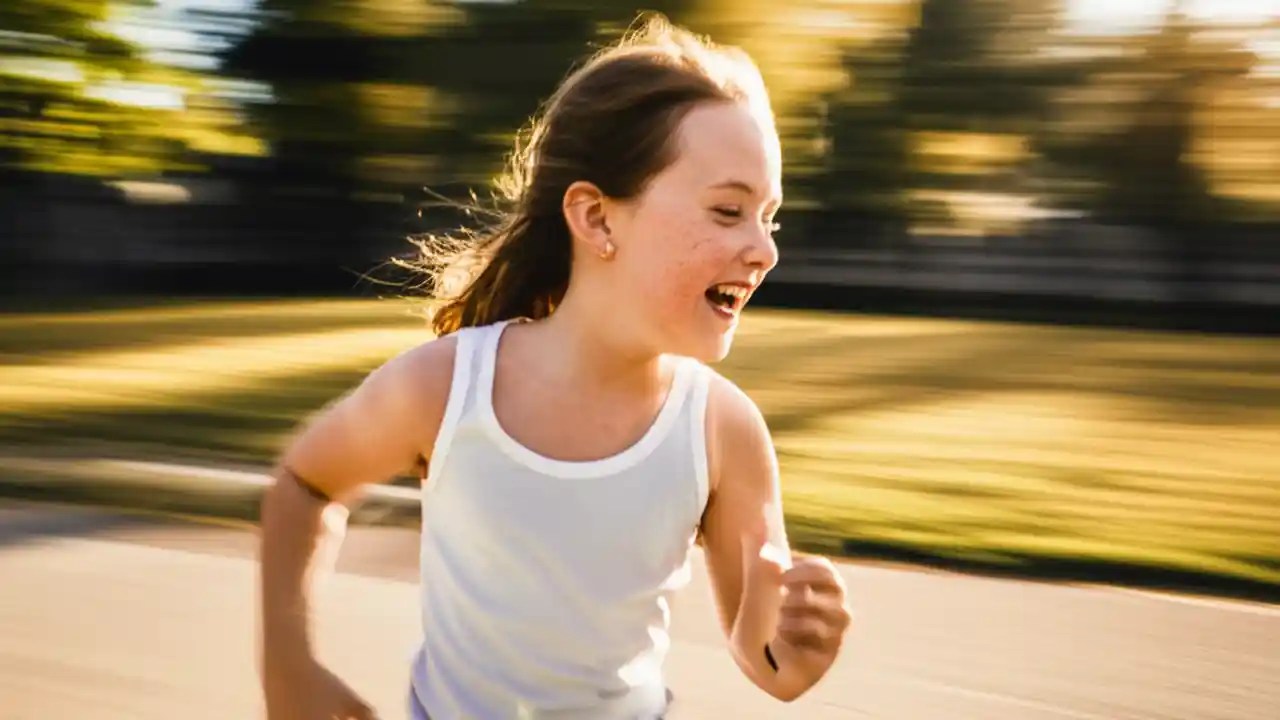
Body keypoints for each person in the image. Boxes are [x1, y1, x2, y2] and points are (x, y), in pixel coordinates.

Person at [257, 14, 852, 720]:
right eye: (729, 210)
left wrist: (793, 649)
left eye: (770, 218)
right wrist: (288, 668)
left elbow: (766, 658)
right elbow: (304, 482)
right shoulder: (446, 389)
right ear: (598, 220)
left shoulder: (723, 431)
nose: (764, 249)